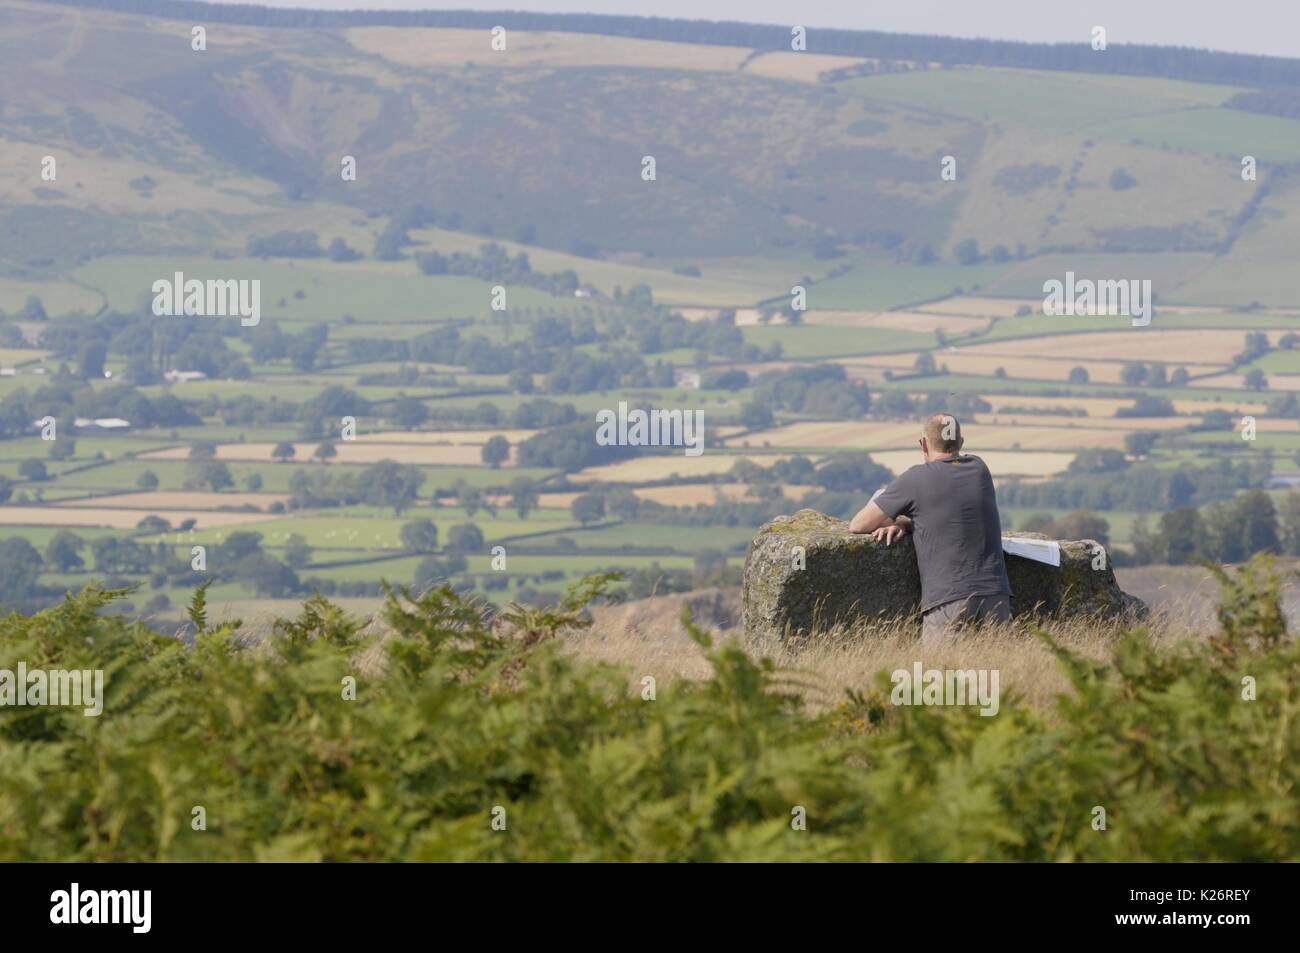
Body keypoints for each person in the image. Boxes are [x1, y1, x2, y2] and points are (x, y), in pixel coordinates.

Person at [848, 412, 1011, 644]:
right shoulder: (979, 468)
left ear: (923, 444)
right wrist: (907, 522)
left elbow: (858, 524)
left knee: (940, 677)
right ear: (961, 443)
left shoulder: (915, 478)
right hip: (996, 596)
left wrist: (900, 521)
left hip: (947, 599)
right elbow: (945, 509)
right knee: (996, 677)